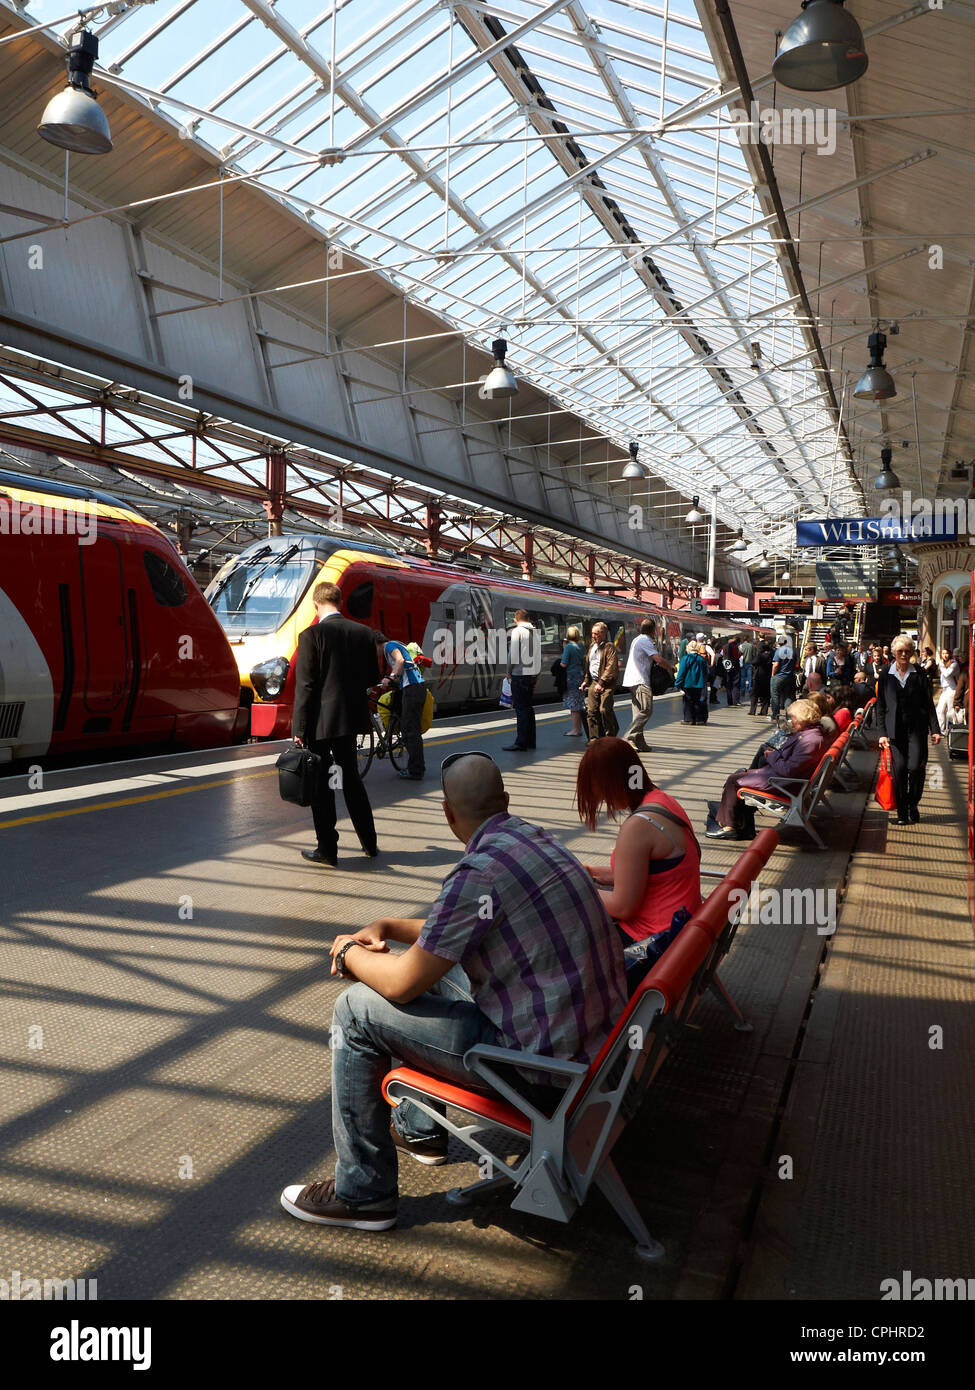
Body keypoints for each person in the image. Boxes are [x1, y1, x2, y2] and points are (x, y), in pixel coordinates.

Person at [279, 753, 626, 1230]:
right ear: (505, 801)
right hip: (596, 1052)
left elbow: (401, 984)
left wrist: (348, 953)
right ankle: (422, 1133)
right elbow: (462, 929)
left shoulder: (478, 871)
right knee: (441, 971)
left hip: (542, 1072)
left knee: (355, 1010)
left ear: (447, 812)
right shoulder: (537, 839)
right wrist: (387, 927)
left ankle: (363, 1194)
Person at [576, 738, 702, 991]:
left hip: (655, 943)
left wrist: (578, 888)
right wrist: (591, 873)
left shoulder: (638, 826)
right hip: (683, 929)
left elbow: (623, 907)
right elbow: (651, 874)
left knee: (567, 939)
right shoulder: (663, 801)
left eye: (598, 790)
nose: (601, 800)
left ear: (610, 783)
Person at [292, 581, 381, 867]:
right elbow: (372, 679)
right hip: (351, 720)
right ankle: (370, 843)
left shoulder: (311, 635)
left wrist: (299, 729)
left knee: (322, 785)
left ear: (316, 605)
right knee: (351, 779)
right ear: (339, 602)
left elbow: (305, 686)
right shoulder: (364, 633)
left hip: (320, 723)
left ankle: (328, 850)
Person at [707, 698, 828, 840]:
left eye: (794, 718)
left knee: (734, 780)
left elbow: (788, 770)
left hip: (783, 783)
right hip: (788, 781)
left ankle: (729, 826)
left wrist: (771, 756)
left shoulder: (809, 740)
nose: (792, 721)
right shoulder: (813, 734)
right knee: (739, 775)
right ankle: (737, 822)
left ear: (803, 717)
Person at [876, 636, 941, 824]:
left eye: (907, 651)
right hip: (894, 731)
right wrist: (881, 733)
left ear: (912, 652)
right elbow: (881, 706)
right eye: (900, 651)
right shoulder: (886, 674)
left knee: (916, 768)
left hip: (916, 730)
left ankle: (913, 803)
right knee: (899, 770)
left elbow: (929, 704)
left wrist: (935, 729)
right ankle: (902, 813)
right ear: (894, 653)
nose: (904, 654)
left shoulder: (920, 674)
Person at [379, 634, 426, 780]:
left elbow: (400, 660)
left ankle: (415, 771)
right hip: (416, 688)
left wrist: (391, 677)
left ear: (376, 643)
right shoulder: (398, 644)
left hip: (412, 689)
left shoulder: (388, 646)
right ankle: (417, 767)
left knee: (410, 732)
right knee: (412, 731)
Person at [622, 617, 672, 752]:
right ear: (653, 630)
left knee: (638, 712)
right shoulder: (645, 640)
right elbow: (657, 659)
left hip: (632, 680)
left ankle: (640, 742)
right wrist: (670, 668)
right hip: (640, 681)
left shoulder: (636, 639)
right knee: (646, 710)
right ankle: (628, 737)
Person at [502, 609, 538, 752]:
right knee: (528, 708)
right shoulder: (534, 633)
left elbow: (513, 654)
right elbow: (537, 657)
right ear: (528, 619)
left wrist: (509, 671)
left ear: (515, 620)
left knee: (521, 709)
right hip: (531, 675)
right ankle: (530, 741)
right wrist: (537, 676)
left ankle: (520, 742)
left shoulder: (517, 632)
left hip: (519, 674)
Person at [583, 621, 620, 739]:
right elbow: (589, 664)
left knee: (604, 709)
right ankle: (594, 739)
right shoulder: (592, 646)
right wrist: (586, 680)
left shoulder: (609, 647)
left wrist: (601, 683)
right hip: (594, 681)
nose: (594, 636)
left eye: (596, 634)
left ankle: (611, 735)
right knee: (592, 711)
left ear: (604, 634)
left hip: (606, 683)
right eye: (593, 634)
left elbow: (610, 667)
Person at [560, 624, 587, 737]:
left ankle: (576, 730)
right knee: (579, 703)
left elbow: (564, 663)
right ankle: (578, 729)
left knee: (573, 705)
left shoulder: (568, 647)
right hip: (580, 676)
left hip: (571, 677)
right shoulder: (581, 646)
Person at [674, 640, 709, 725]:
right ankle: (698, 719)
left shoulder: (686, 658)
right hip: (699, 684)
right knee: (697, 701)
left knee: (688, 701)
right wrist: (704, 681)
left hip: (687, 684)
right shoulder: (701, 659)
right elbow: (705, 672)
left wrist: (677, 684)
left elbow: (681, 673)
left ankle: (688, 719)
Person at [769, 630, 796, 720]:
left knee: (775, 695)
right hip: (790, 677)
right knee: (788, 696)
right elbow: (797, 664)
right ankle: (788, 715)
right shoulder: (793, 652)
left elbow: (776, 664)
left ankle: (775, 714)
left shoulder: (779, 651)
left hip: (779, 676)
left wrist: (773, 674)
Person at [936, 646, 960, 734]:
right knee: (939, 710)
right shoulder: (943, 665)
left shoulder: (954, 664)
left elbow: (947, 674)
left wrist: (941, 665)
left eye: (946, 653)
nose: (945, 655)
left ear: (950, 654)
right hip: (945, 690)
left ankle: (954, 729)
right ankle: (941, 730)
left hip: (952, 689)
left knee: (950, 711)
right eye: (943, 653)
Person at [749, 640, 773, 716]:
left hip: (759, 677)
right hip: (768, 677)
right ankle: (764, 711)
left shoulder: (760, 655)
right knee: (766, 695)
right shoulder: (772, 655)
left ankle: (752, 711)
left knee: (754, 694)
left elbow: (753, 662)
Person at [719, 636, 741, 706]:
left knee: (728, 683)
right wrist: (740, 654)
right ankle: (735, 700)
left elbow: (722, 655)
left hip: (726, 666)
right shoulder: (734, 646)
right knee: (735, 683)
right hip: (734, 666)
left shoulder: (724, 646)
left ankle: (729, 700)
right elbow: (736, 656)